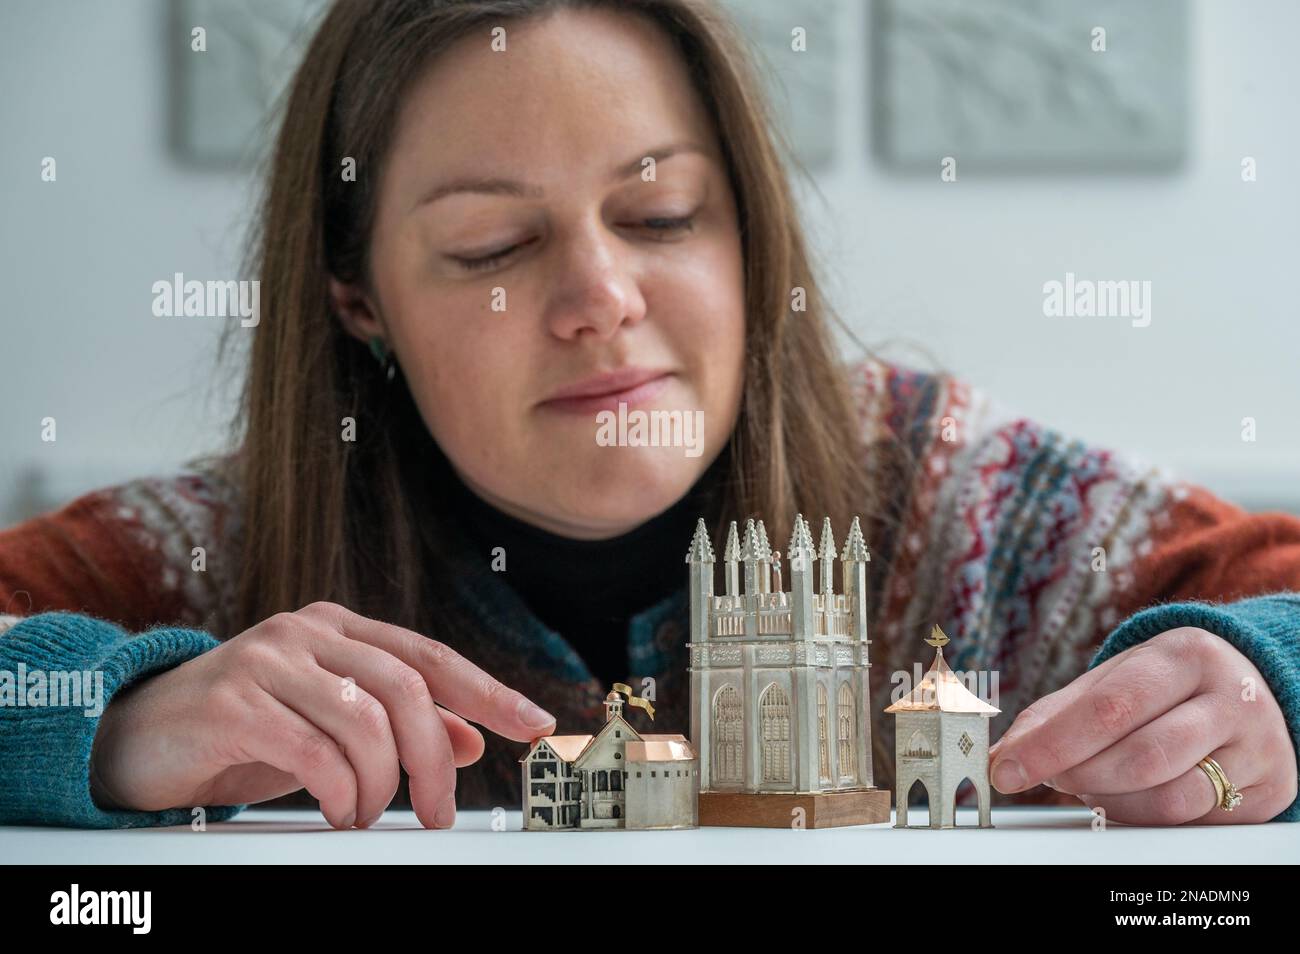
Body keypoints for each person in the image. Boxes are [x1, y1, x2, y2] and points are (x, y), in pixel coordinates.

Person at [1, 0, 1297, 831]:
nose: (599, 297)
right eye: (494, 243)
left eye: (662, 214)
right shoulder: (218, 553)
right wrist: (110, 720)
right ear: (358, 297)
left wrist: (1266, 692)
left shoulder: (964, 501)